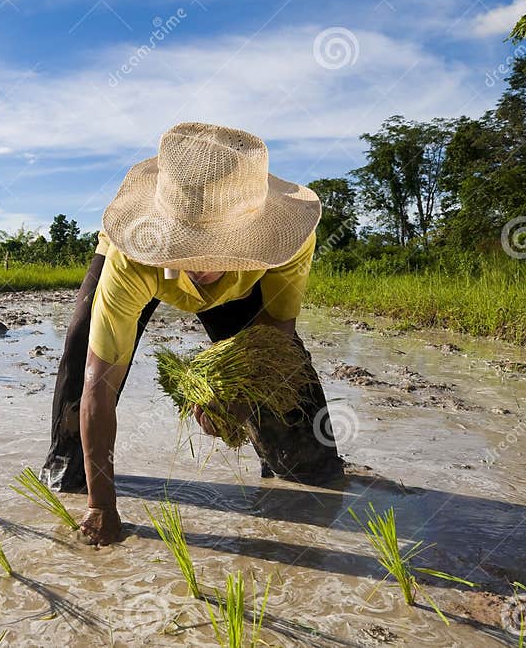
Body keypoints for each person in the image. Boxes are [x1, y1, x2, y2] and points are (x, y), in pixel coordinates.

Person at [40, 122, 344, 545]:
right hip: (140, 259)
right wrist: (102, 506)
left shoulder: (284, 241)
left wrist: (236, 388)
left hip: (246, 278)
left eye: (216, 247)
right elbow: (99, 384)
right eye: (189, 247)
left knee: (286, 382)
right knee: (79, 357)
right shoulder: (134, 259)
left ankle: (304, 469)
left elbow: (277, 330)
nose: (200, 266)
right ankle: (70, 473)